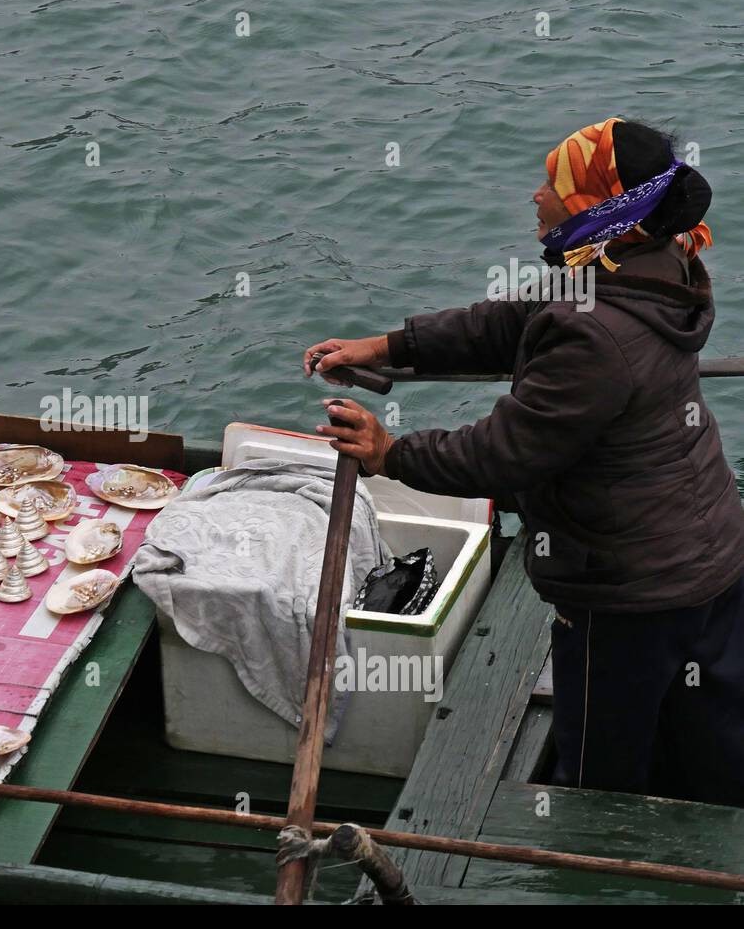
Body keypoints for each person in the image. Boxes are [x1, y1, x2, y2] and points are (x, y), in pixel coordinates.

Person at [303, 117, 744, 807]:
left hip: (630, 589)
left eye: (555, 187)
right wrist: (386, 344)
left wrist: (390, 453)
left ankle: (605, 896)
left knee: (602, 772)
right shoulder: (657, 265)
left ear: (600, 209)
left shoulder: (597, 337)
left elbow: (501, 454)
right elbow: (508, 323)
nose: (537, 197)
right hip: (710, 550)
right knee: (709, 741)